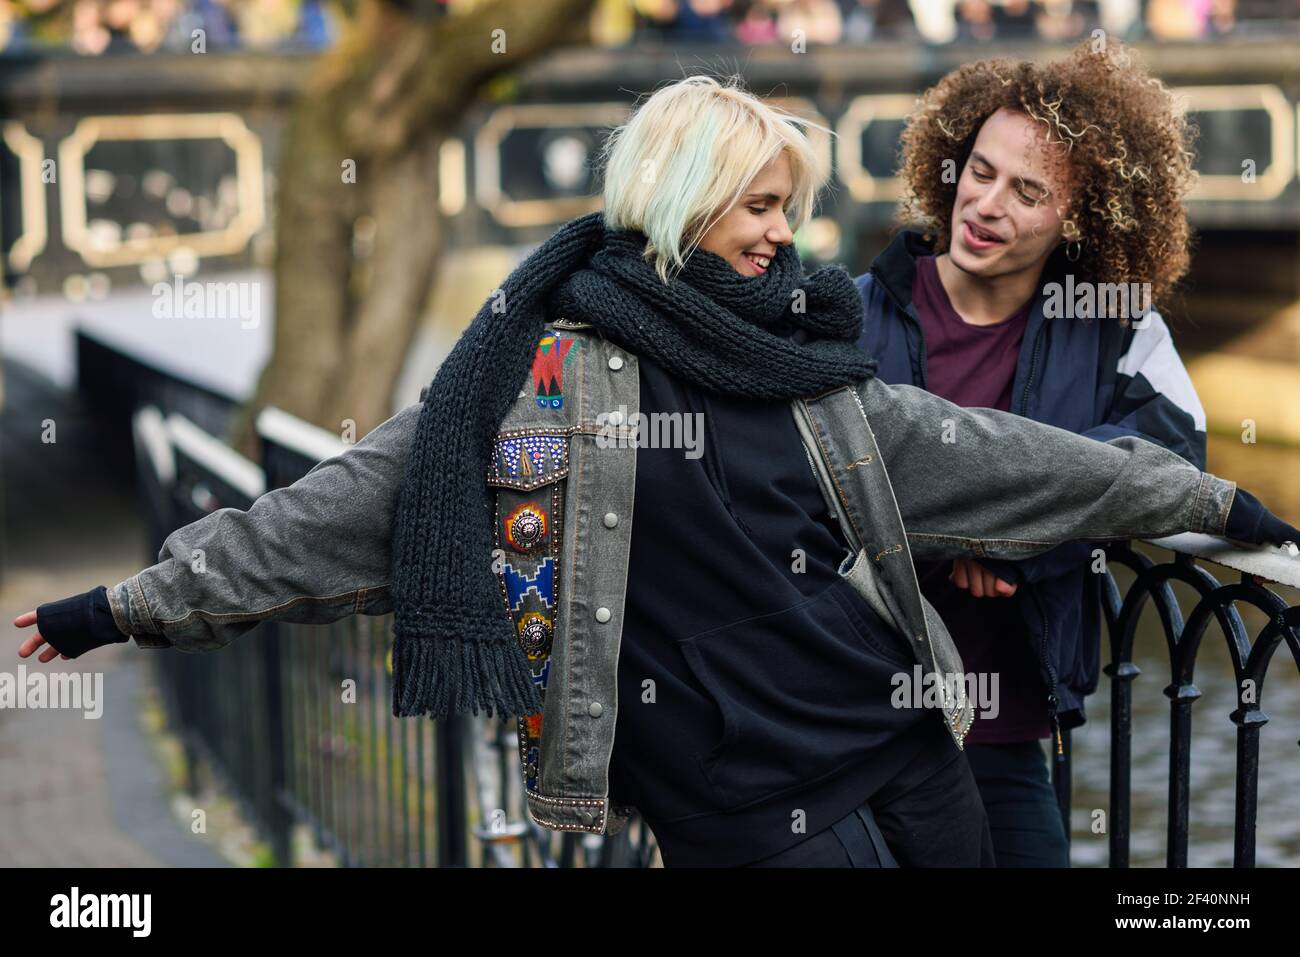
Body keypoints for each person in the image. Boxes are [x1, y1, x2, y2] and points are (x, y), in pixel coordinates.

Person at [16, 75, 1298, 868]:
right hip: (744, 807)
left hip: (911, 750)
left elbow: (1004, 461)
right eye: (759, 211)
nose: (786, 240)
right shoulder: (530, 381)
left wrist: (1208, 502)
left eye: (788, 210)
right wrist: (117, 609)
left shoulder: (811, 361)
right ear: (682, 205)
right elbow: (333, 517)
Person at [856, 39, 1209, 866]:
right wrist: (970, 526)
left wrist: (1025, 543)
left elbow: (1170, 462)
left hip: (1004, 725)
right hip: (851, 721)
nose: (985, 204)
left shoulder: (1119, 326)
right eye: (979, 171)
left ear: (1079, 215)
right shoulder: (857, 313)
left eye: (1027, 191)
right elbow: (811, 481)